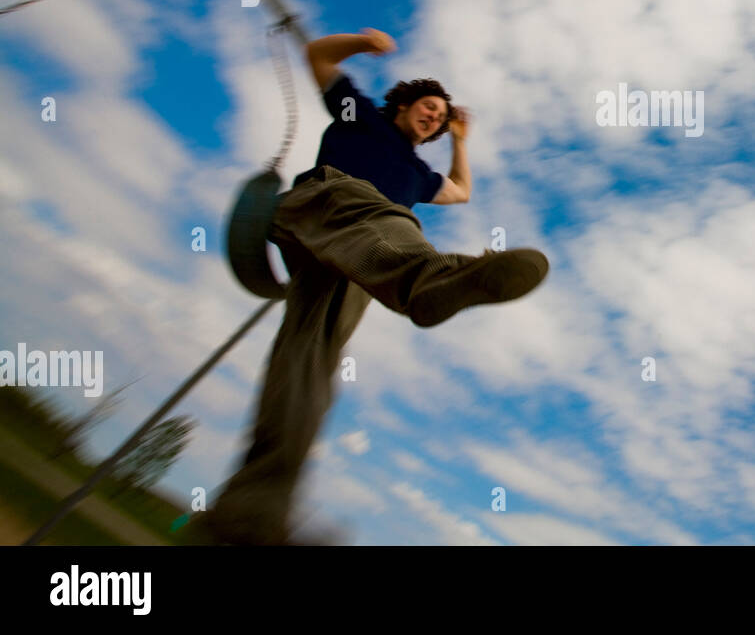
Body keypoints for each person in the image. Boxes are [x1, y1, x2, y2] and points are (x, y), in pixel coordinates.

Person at [195, 28, 548, 545]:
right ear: (404, 104)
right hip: (324, 205)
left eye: (440, 119)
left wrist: (463, 141)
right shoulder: (361, 115)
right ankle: (433, 278)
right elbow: (317, 56)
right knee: (388, 220)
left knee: (310, 366)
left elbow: (463, 191)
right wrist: (360, 41)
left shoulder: (419, 174)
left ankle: (250, 512)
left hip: (357, 261)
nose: (434, 118)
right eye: (429, 107)